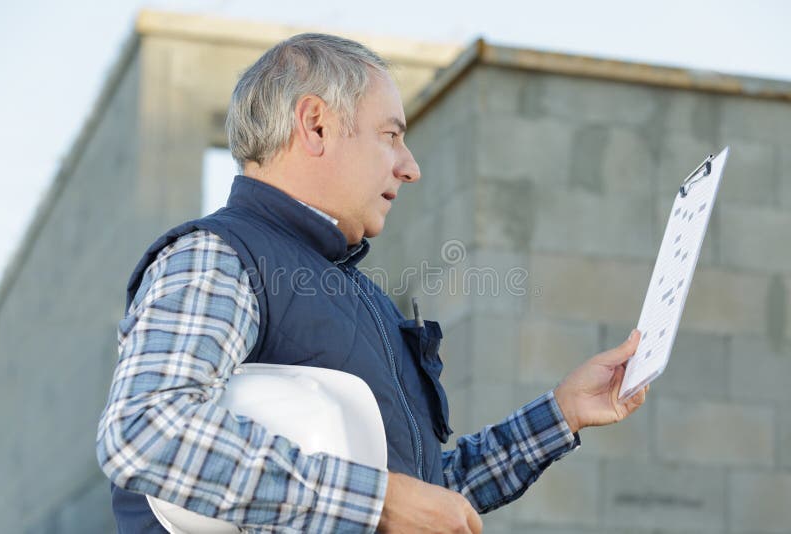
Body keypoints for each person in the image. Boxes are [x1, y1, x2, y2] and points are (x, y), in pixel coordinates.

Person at [96, 33, 648, 533]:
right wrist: (379, 502)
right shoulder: (216, 256)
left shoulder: (364, 299)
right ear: (316, 125)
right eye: (390, 135)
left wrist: (563, 413)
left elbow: (424, 497)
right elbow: (145, 432)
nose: (410, 167)